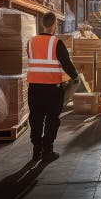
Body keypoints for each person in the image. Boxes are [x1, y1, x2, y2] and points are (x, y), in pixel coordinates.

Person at [27, 12, 79, 162]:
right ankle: (47, 150)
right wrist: (75, 77)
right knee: (52, 120)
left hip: (34, 88)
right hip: (52, 89)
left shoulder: (30, 42)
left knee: (35, 119)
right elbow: (67, 64)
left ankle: (36, 149)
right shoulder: (56, 43)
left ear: (42, 24)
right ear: (55, 23)